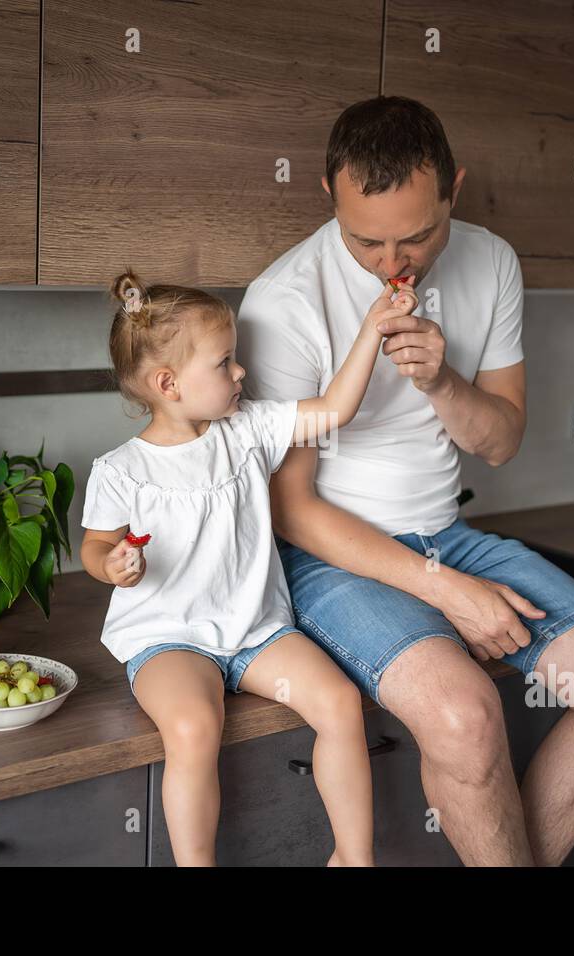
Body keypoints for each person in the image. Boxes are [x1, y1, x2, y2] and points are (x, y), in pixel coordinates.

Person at [235, 95, 574, 866]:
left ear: (454, 191)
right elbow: (290, 509)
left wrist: (443, 384)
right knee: (467, 716)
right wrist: (443, 589)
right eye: (366, 240)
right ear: (327, 195)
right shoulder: (283, 303)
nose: (391, 263)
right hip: (328, 558)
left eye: (418, 235)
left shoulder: (493, 261)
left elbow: (500, 443)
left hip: (448, 534)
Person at [78, 268, 418, 866]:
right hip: (169, 638)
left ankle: (353, 858)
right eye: (224, 361)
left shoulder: (250, 428)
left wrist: (372, 328)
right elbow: (94, 546)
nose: (241, 372)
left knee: (339, 703)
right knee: (192, 729)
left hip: (257, 632)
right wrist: (113, 564)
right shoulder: (121, 469)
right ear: (168, 382)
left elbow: (335, 408)